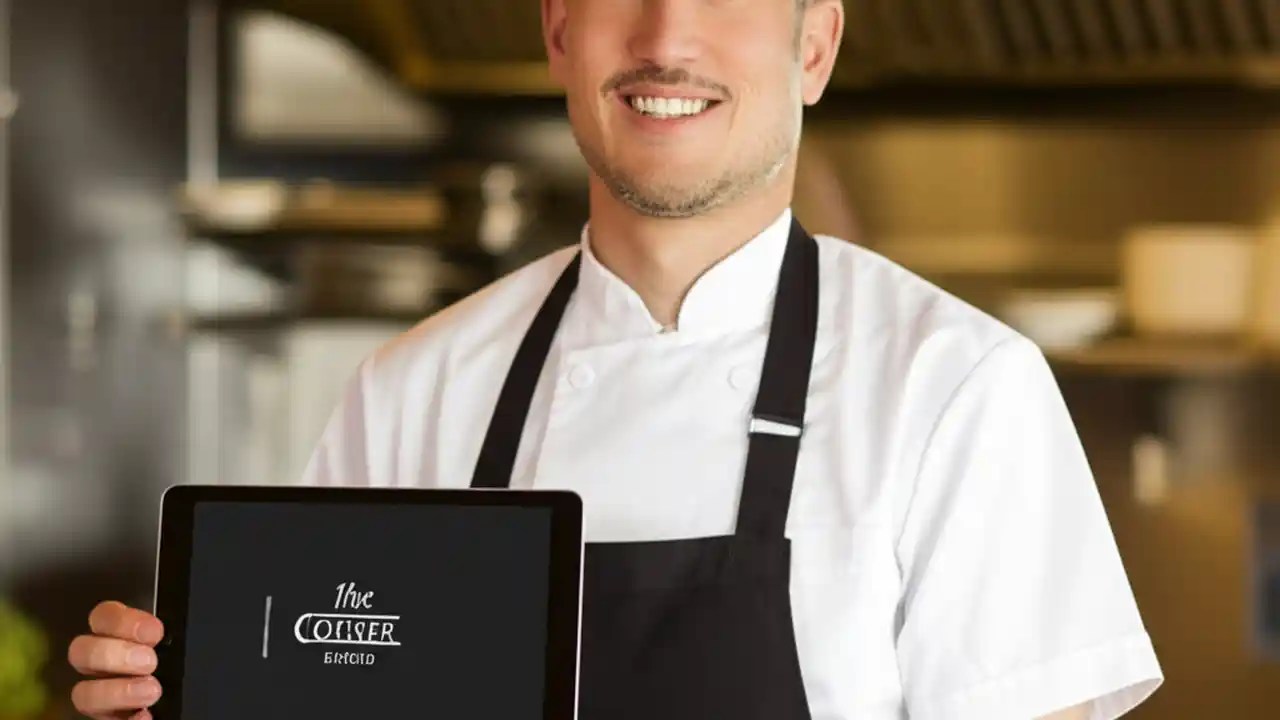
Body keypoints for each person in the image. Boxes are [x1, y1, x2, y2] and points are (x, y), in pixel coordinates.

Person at [67, 0, 1164, 718]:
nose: (665, 34)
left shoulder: (955, 388)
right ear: (557, 30)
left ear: (814, 46)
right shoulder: (415, 388)